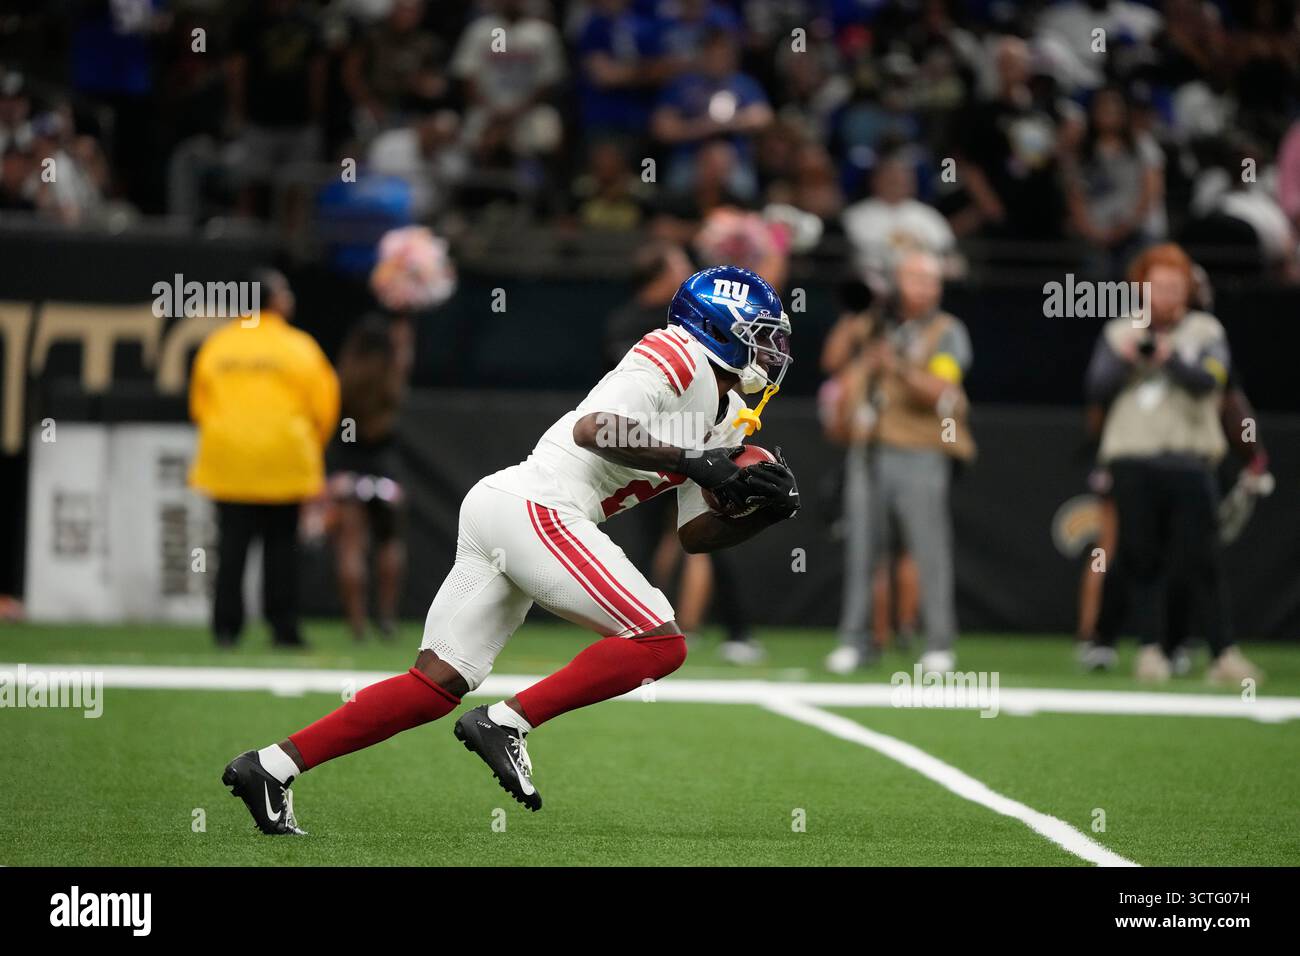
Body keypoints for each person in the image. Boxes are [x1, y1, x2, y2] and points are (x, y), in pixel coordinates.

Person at [222, 265, 799, 833]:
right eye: (763, 337)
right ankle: (508, 723)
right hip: (540, 504)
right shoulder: (677, 353)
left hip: (511, 510)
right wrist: (694, 461)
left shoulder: (730, 420)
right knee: (659, 643)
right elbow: (595, 428)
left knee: (434, 684)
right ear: (718, 326)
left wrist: (762, 515)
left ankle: (269, 767)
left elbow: (694, 537)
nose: (773, 352)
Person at [1084, 243, 1261, 684]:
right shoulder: (1121, 331)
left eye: (1175, 286)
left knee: (1199, 557)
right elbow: (1096, 386)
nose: (1167, 294)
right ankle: (1150, 650)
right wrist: (1131, 356)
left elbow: (1211, 380)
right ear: (1141, 288)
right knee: (1139, 556)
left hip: (1190, 459)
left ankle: (1223, 654)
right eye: (1158, 286)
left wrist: (1168, 358)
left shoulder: (1206, 330)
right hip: (1133, 458)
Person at [824, 250, 975, 675]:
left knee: (928, 549)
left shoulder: (947, 331)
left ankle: (939, 644)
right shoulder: (875, 323)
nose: (925, 287)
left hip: (921, 451)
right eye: (915, 278)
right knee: (862, 549)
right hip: (867, 450)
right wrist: (859, 311)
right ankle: (856, 641)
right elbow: (832, 360)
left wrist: (899, 367)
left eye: (931, 280)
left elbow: (943, 390)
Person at [188, 269, 340, 649]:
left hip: (229, 462)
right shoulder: (300, 346)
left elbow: (199, 405)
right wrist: (308, 446)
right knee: (281, 549)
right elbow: (324, 407)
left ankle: (226, 630)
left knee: (232, 548)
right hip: (284, 461)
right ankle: (283, 628)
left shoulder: (218, 344)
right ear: (275, 300)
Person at [327, 316, 410, 642]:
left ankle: (357, 624)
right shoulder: (392, 375)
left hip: (348, 469)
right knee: (390, 543)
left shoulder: (342, 377)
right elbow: (404, 351)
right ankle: (387, 617)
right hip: (385, 471)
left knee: (351, 547)